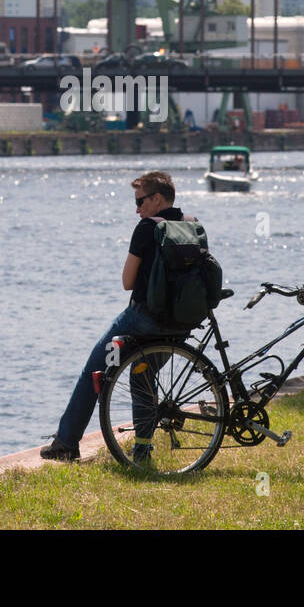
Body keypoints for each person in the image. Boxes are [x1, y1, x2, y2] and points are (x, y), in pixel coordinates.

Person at [41, 171, 193, 462]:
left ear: (157, 199)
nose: (137, 209)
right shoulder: (192, 225)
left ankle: (66, 443)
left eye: (139, 201)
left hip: (144, 320)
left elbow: (127, 281)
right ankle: (142, 452)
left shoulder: (147, 227)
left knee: (95, 368)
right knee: (142, 375)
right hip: (181, 323)